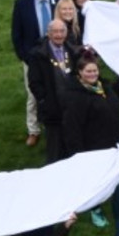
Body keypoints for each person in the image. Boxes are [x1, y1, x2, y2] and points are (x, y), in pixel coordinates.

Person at [11, 0, 59, 147]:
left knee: (58, 90)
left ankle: (55, 125)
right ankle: (34, 130)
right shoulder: (22, 4)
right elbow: (16, 35)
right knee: (33, 95)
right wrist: (25, 58)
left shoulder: (59, 0)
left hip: (58, 55)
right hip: (33, 59)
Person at [26, 19, 75, 164]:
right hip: (52, 110)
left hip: (71, 106)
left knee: (72, 145)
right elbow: (34, 82)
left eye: (62, 31)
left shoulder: (72, 50)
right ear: (48, 33)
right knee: (54, 150)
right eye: (55, 31)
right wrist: (45, 100)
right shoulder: (37, 54)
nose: (58, 35)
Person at [60, 51, 119, 159]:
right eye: (88, 71)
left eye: (95, 70)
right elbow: (72, 128)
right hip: (94, 149)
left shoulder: (104, 87)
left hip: (115, 144)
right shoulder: (75, 96)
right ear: (80, 72)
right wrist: (78, 156)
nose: (92, 74)